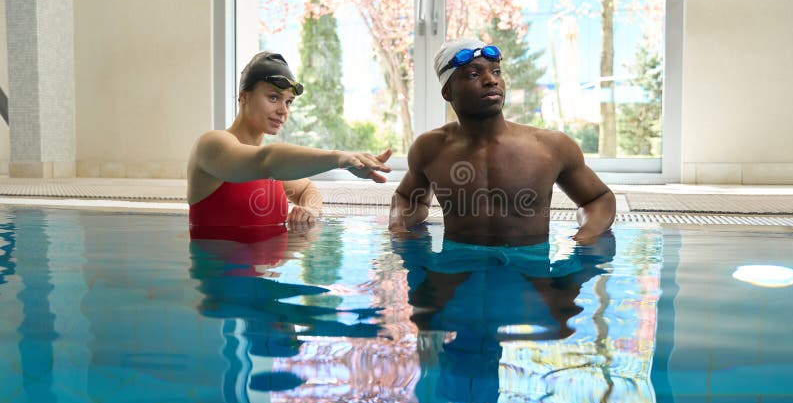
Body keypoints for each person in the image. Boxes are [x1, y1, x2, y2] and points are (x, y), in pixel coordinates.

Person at [389, 38, 615, 245]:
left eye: (496, 72)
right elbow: (409, 198)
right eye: (474, 75)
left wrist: (585, 236)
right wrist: (398, 225)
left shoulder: (551, 147)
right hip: (459, 271)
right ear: (447, 92)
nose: (491, 80)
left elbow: (598, 199)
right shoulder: (430, 148)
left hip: (528, 275)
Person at [187, 51, 391, 237]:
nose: (283, 110)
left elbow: (307, 191)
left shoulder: (275, 168)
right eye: (274, 97)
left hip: (265, 275)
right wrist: (339, 158)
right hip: (220, 277)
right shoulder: (211, 145)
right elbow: (265, 161)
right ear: (244, 96)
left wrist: (310, 211)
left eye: (289, 102)